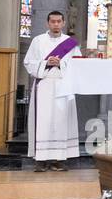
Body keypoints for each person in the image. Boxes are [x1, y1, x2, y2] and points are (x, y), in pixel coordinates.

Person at [23, 11, 81, 172]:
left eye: (59, 21)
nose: (56, 24)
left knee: (61, 122)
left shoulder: (70, 43)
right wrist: (46, 62)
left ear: (63, 23)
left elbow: (78, 65)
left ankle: (59, 159)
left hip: (63, 85)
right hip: (44, 85)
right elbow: (28, 62)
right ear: (47, 23)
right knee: (43, 122)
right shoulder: (38, 41)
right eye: (53, 21)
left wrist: (61, 63)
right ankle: (40, 160)